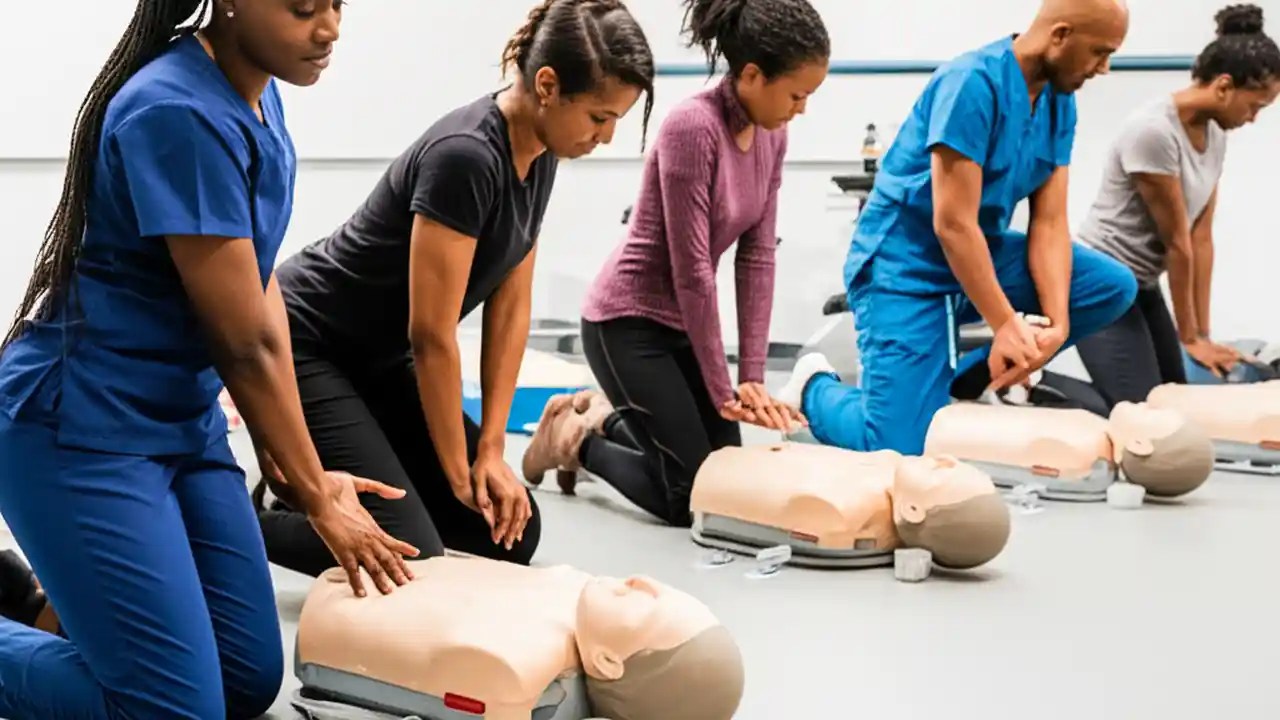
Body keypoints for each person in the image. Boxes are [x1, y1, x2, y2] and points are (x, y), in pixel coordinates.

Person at [0, 1, 420, 718]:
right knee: (174, 711)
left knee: (243, 679)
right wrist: (316, 496)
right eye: (302, 7)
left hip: (177, 419)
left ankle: (72, 628)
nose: (329, 28)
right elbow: (242, 344)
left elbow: (259, 289)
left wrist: (294, 459)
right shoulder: (176, 110)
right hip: (81, 430)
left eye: (338, 3)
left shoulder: (256, 93)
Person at [252, 0, 656, 574]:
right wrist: (458, 475)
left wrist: (491, 450)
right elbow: (432, 335)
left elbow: (510, 309)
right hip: (311, 344)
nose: (607, 136)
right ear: (547, 86)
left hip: (379, 360)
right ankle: (234, 520)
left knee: (509, 533)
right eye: (598, 117)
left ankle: (330, 487)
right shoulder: (465, 157)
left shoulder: (540, 155)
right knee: (409, 548)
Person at [775, 0, 1139, 456]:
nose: (1103, 68)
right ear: (1060, 35)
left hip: (980, 254)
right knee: (898, 446)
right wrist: (1006, 323)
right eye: (1100, 53)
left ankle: (970, 379)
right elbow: (952, 223)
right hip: (904, 266)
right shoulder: (971, 83)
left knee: (1110, 287)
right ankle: (813, 389)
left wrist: (1056, 329)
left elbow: (1049, 223)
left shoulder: (1059, 101)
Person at [521, 0, 830, 526]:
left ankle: (602, 416)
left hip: (683, 327)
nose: (801, 109)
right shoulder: (693, 127)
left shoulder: (772, 136)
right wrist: (722, 389)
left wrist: (752, 378)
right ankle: (573, 439)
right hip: (626, 324)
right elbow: (693, 274)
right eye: (796, 95)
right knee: (689, 497)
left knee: (724, 478)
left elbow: (757, 256)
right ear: (752, 76)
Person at [1073, 4, 1280, 410]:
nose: (1253, 118)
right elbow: (1178, 243)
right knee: (1143, 410)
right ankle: (1037, 387)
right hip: (1099, 279)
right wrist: (1189, 338)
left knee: (1174, 401)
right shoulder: (1152, 131)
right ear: (1224, 87)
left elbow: (1201, 237)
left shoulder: (1215, 135)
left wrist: (1203, 335)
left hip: (1143, 284)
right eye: (1254, 106)